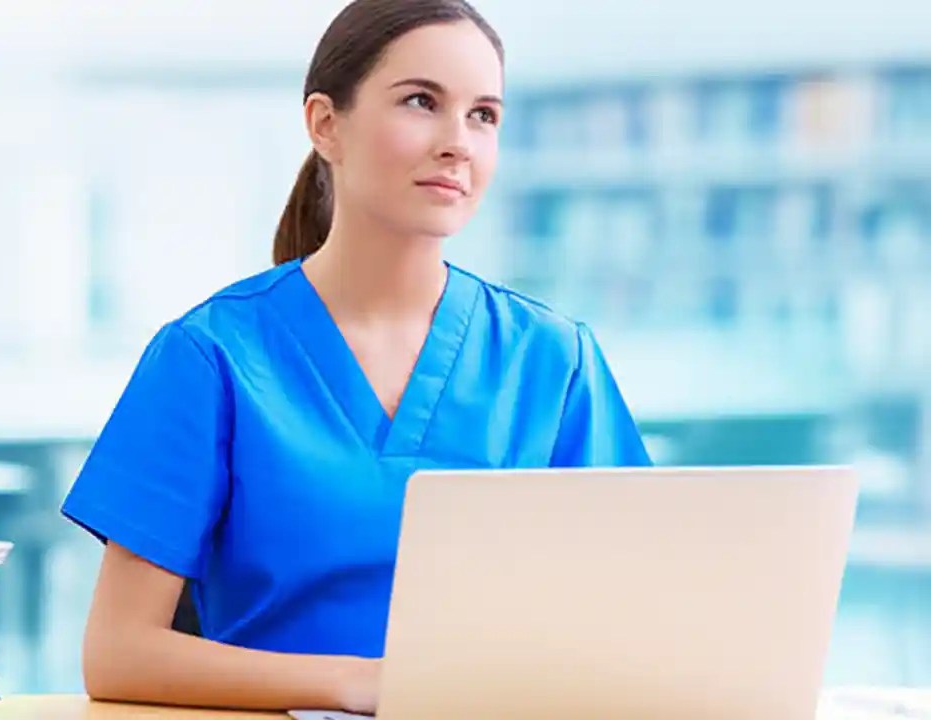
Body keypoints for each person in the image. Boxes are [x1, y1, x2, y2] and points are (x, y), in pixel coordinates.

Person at [61, 0, 652, 713]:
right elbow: (119, 653)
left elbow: (629, 618)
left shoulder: (555, 361)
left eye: (484, 115)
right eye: (420, 102)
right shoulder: (209, 357)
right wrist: (361, 683)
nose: (458, 142)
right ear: (325, 124)